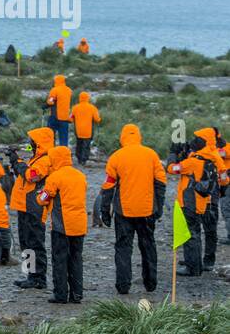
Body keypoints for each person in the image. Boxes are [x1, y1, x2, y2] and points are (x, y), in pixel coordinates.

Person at [99, 124, 167, 294]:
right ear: (139, 136)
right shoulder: (151, 155)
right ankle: (151, 283)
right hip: (147, 210)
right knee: (148, 246)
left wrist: (104, 211)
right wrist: (159, 207)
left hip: (124, 212)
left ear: (122, 137)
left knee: (123, 247)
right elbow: (161, 182)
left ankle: (123, 286)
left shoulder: (116, 157)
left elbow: (108, 187)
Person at [36, 146, 87, 304]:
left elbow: (43, 199)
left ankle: (60, 294)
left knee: (60, 260)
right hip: (79, 224)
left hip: (62, 226)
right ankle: (77, 294)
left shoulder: (55, 177)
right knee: (76, 259)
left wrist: (40, 196)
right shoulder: (80, 176)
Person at [169, 129, 218, 277]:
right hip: (200, 202)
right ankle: (196, 265)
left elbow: (172, 169)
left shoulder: (193, 162)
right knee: (195, 233)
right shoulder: (208, 159)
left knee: (191, 235)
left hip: (190, 202)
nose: (193, 141)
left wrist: (172, 154)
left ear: (201, 142)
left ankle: (193, 268)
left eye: (196, 139)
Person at [9, 127, 54, 290]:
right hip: (25, 205)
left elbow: (32, 176)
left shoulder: (46, 160)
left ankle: (39, 278)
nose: (30, 143)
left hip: (35, 206)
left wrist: (17, 162)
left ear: (40, 143)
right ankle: (30, 275)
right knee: (25, 241)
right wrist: (16, 163)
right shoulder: (36, 158)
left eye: (33, 141)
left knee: (35, 241)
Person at [190, 128, 227, 270]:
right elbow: (224, 179)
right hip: (212, 196)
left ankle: (200, 259)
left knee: (199, 229)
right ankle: (206, 260)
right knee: (209, 229)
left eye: (197, 138)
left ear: (203, 140)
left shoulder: (198, 155)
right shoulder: (215, 156)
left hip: (199, 197)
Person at [70, 90, 100, 164]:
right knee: (86, 145)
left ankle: (79, 158)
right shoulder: (92, 108)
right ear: (88, 98)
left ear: (80, 98)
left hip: (78, 130)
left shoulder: (75, 108)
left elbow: (70, 118)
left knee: (79, 144)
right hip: (88, 130)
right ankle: (84, 159)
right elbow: (97, 119)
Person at [45, 74, 72, 147]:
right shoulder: (69, 90)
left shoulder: (55, 90)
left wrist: (46, 105)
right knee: (64, 138)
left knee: (50, 135)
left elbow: (51, 101)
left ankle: (51, 150)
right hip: (65, 118)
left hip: (55, 117)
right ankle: (63, 153)